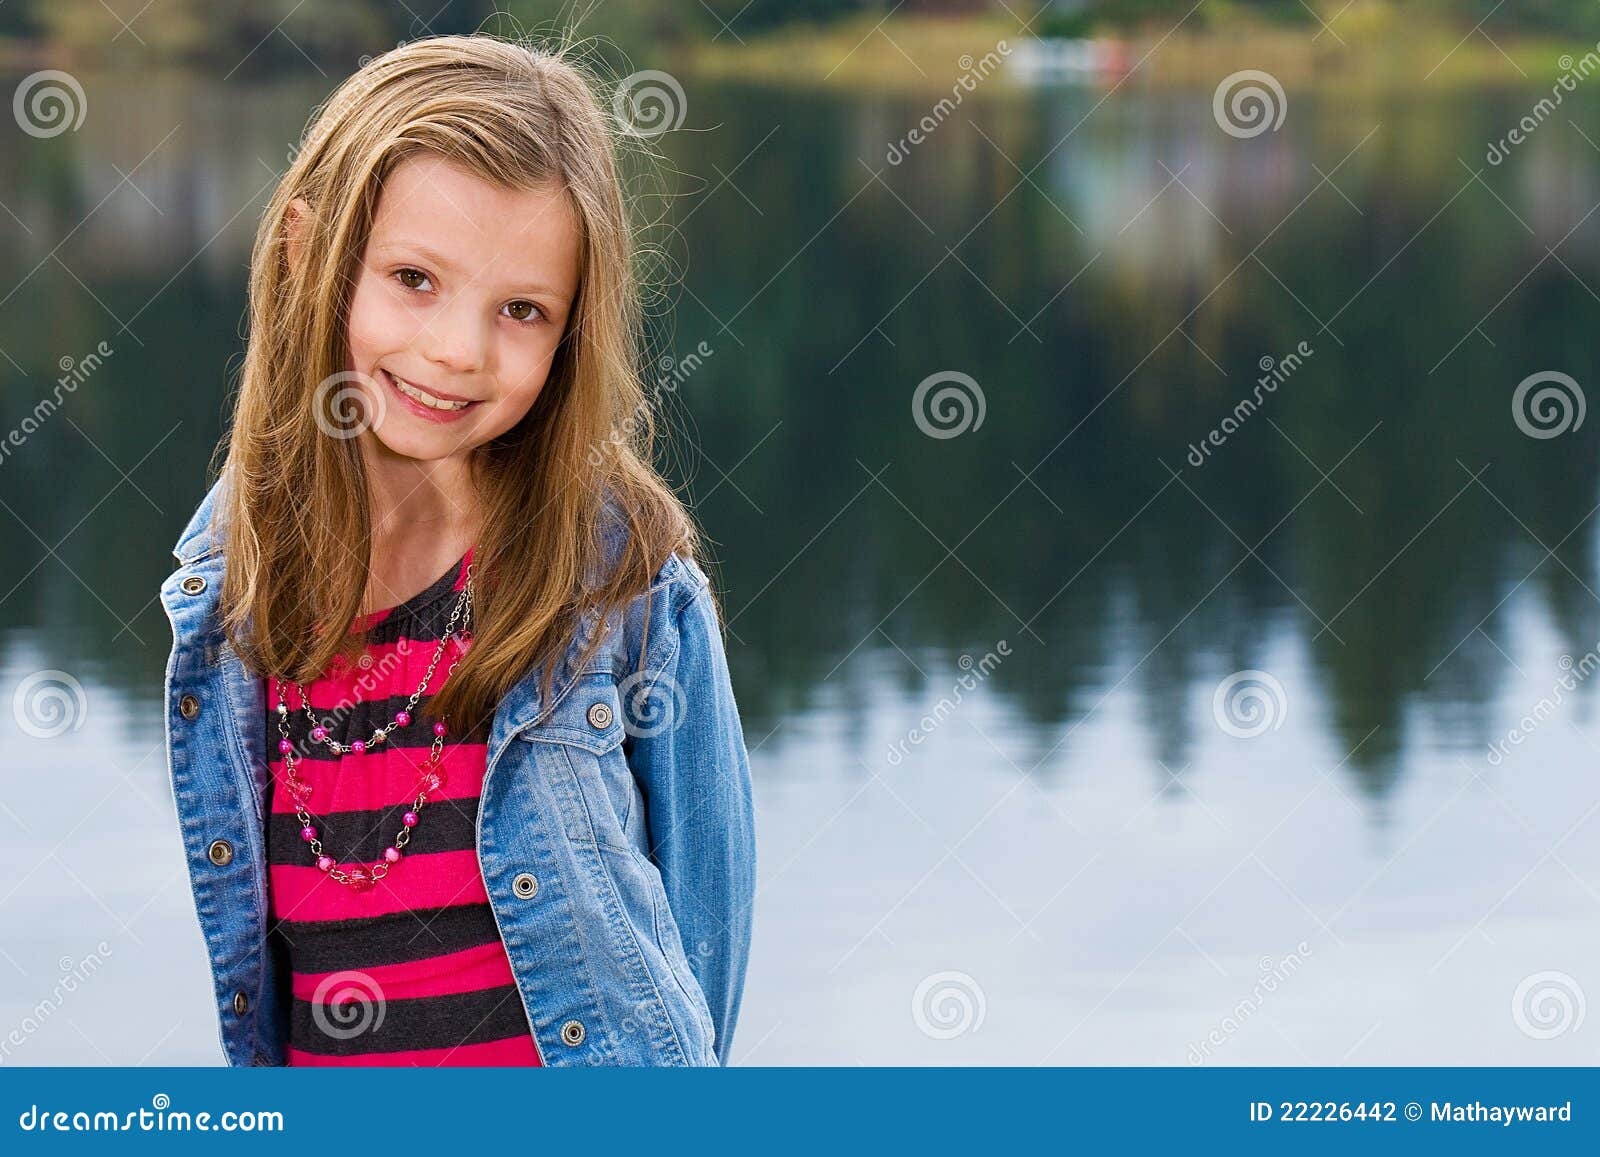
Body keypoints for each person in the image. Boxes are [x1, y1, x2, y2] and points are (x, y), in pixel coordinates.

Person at [159, 34, 755, 1067]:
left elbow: (704, 951)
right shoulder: (231, 588)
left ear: (571, 331)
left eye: (521, 310)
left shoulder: (626, 584)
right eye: (413, 278)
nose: (457, 352)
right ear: (309, 253)